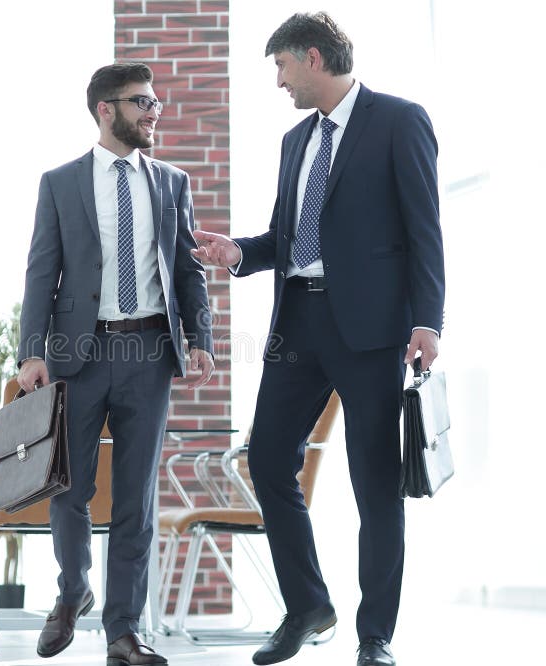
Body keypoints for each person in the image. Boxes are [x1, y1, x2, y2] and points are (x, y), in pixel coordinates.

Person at [191, 12, 444, 666]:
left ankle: (375, 636)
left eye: (281, 66)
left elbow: (425, 229)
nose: (279, 82)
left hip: (373, 330)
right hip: (298, 322)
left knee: (375, 483)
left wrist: (428, 320)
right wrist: (237, 252)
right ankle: (307, 605)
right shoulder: (295, 140)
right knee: (268, 459)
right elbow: (286, 237)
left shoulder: (399, 121)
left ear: (312, 56)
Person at [17, 62, 214, 666]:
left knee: (136, 498)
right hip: (78, 355)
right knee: (69, 488)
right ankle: (73, 589)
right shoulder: (60, 183)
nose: (154, 112)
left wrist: (200, 337)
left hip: (149, 352)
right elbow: (41, 271)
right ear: (106, 110)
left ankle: (123, 632)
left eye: (156, 103)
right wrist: (30, 351)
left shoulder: (172, 182)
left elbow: (187, 268)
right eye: (141, 103)